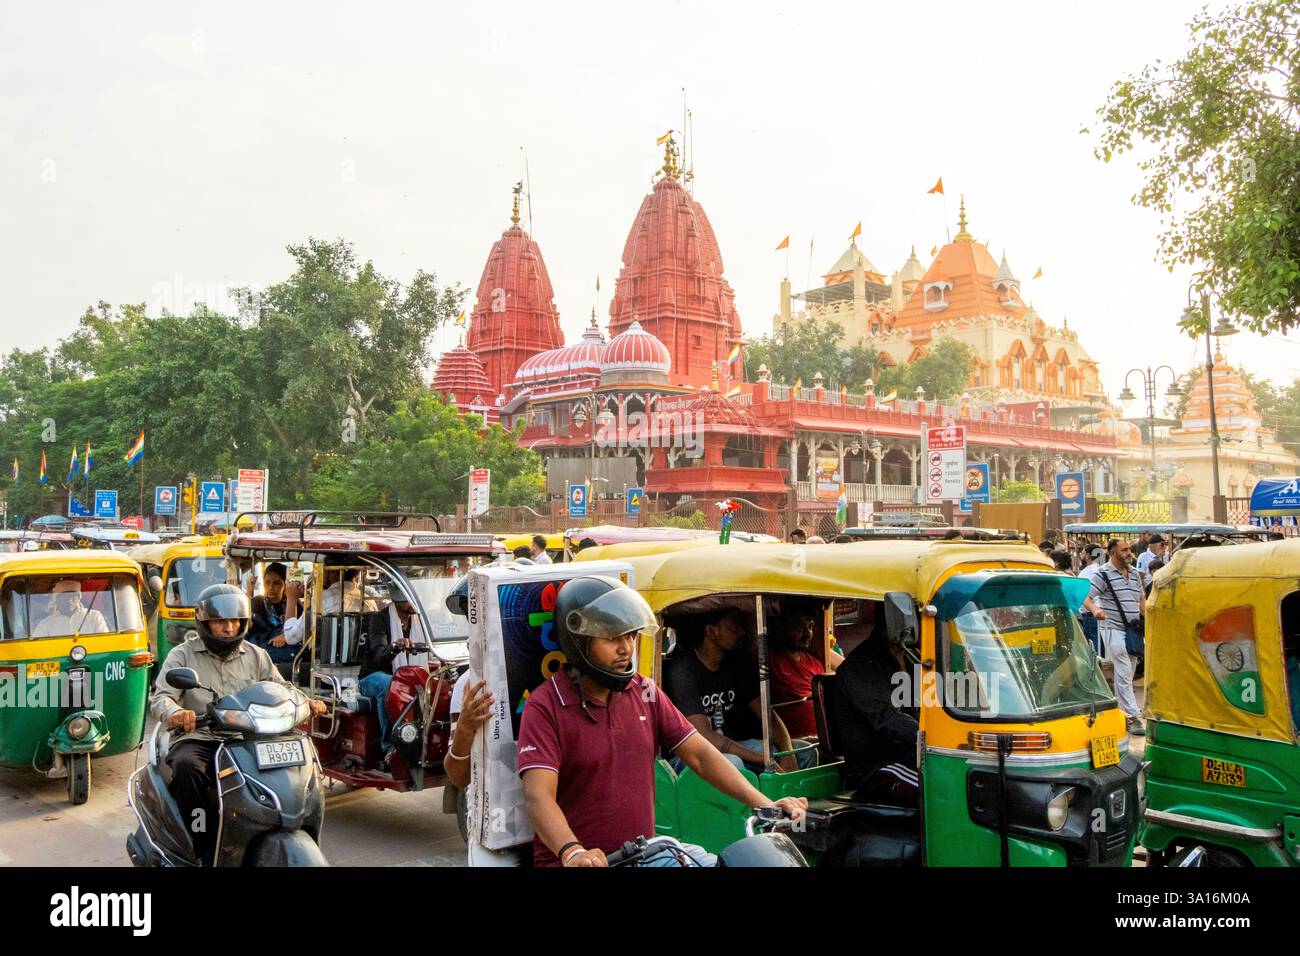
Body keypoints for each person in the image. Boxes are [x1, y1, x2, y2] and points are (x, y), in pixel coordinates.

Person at [517, 575, 806, 867]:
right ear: (578, 640)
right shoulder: (545, 706)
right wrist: (573, 852)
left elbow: (701, 755)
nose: (625, 649)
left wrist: (764, 804)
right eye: (611, 637)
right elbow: (538, 796)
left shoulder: (643, 691)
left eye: (629, 635)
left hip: (646, 852)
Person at [149, 584, 326, 864]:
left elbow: (281, 688)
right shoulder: (182, 655)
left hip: (251, 739)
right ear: (205, 622)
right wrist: (177, 714)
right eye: (221, 621)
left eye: (234, 621)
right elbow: (161, 699)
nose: (229, 628)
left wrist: (306, 701)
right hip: (203, 738)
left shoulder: (257, 655)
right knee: (186, 768)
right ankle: (201, 843)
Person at [662, 607, 805, 773]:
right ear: (711, 631)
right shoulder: (682, 672)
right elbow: (703, 735)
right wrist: (762, 759)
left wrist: (788, 753)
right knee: (733, 762)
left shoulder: (736, 664)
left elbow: (767, 715)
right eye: (734, 623)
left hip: (729, 744)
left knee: (803, 751)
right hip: (690, 752)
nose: (742, 631)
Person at [833, 611, 920, 806]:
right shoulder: (860, 666)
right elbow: (889, 719)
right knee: (942, 790)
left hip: (914, 756)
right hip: (877, 768)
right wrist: (934, 739)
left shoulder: (913, 657)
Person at [1082, 538, 1146, 736]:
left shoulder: (1135, 574)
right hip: (1113, 629)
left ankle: (1119, 714)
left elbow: (1141, 600)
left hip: (1133, 631)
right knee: (1125, 671)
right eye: (1124, 550)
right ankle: (1134, 717)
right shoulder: (1102, 574)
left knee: (1126, 673)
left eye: (1129, 549)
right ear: (1112, 553)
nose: (1129, 553)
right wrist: (1095, 610)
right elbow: (1086, 597)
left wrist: (1150, 621)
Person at [770, 601, 842, 742]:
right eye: (798, 626)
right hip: (794, 742)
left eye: (810, 626)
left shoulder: (814, 663)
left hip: (823, 738)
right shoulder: (771, 660)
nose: (807, 632)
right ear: (782, 628)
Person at [281, 567, 373, 646]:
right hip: (362, 662)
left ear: (332, 572)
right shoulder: (369, 600)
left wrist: (291, 598)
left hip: (327, 664)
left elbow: (291, 637)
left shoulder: (322, 599)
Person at [248, 562, 296, 672]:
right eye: (267, 583)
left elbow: (299, 629)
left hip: (286, 655)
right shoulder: (257, 602)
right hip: (261, 650)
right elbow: (247, 625)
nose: (271, 587)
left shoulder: (294, 603)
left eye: (276, 583)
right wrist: (249, 592)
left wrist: (285, 635)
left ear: (285, 584)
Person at [32, 579, 110, 637]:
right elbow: (35, 648)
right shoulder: (46, 624)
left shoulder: (95, 616)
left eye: (73, 596)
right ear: (57, 599)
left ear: (79, 598)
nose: (69, 600)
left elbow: (106, 641)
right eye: (64, 597)